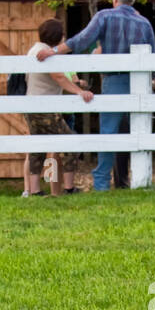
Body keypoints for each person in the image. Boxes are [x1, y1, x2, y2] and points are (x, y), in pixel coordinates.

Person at [34, 0, 155, 190]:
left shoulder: (105, 16)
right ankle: (138, 180)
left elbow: (83, 39)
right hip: (139, 82)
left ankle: (102, 182)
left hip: (113, 80)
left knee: (108, 132)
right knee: (138, 130)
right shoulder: (144, 23)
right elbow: (154, 56)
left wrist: (56, 50)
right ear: (132, 0)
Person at [21, 18, 93, 197]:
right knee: (70, 143)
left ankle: (35, 190)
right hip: (46, 108)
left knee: (38, 148)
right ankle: (68, 188)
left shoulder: (33, 50)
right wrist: (79, 91)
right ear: (57, 36)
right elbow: (59, 77)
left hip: (32, 107)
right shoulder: (45, 53)